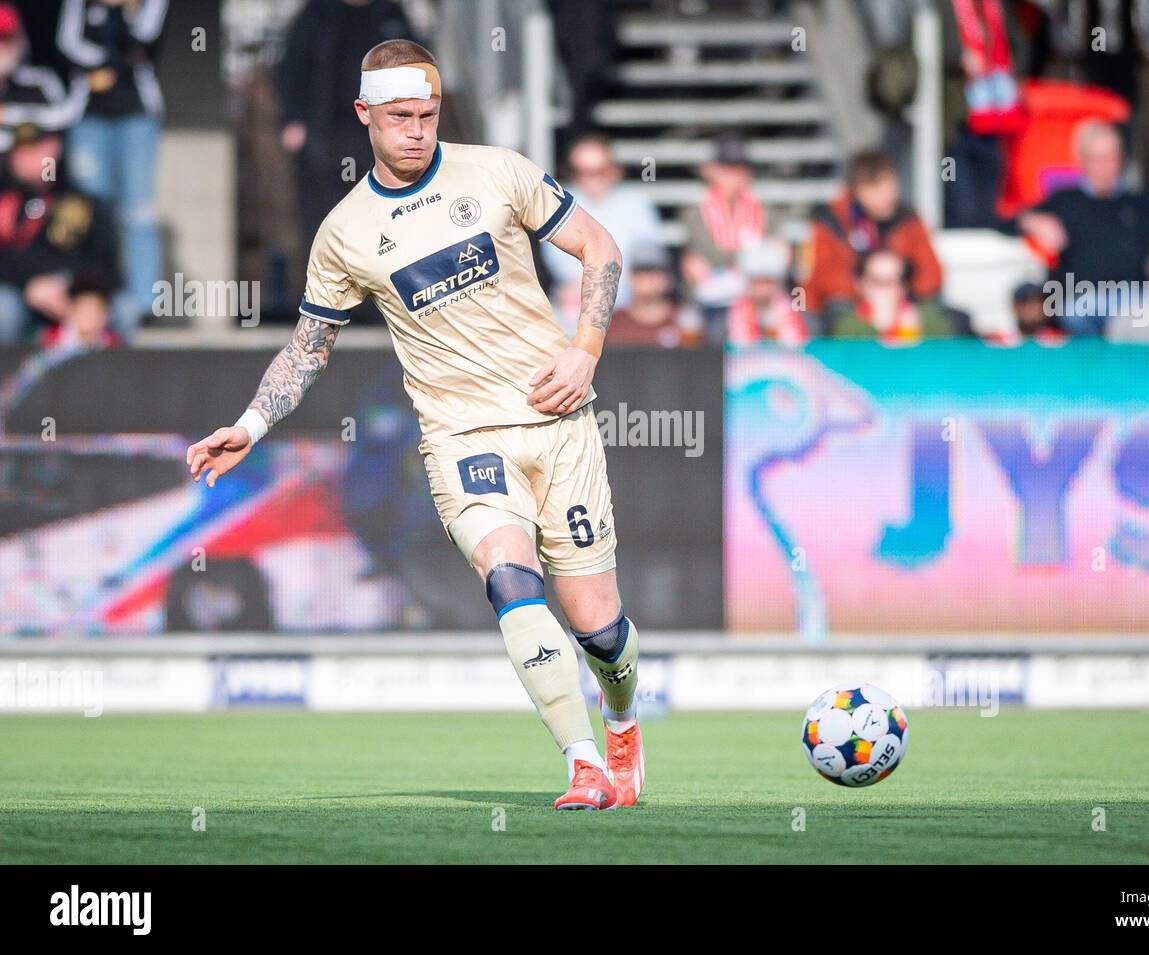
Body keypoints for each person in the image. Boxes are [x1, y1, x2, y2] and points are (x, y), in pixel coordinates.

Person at [185, 41, 642, 812]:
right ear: (364, 114)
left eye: (428, 115)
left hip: (559, 422)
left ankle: (623, 719)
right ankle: (584, 762)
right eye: (399, 117)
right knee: (508, 575)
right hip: (463, 439)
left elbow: (600, 247)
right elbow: (308, 348)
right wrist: (251, 423)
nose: (417, 130)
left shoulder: (498, 170)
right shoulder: (345, 232)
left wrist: (586, 351)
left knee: (599, 628)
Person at [277, 0, 413, 298]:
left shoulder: (389, 15)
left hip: (376, 137)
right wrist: (293, 119)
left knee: (382, 215)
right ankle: (326, 298)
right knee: (323, 219)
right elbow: (292, 67)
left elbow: (416, 71)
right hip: (323, 135)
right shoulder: (318, 13)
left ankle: (379, 298)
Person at [57, 0, 168, 333]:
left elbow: (145, 37)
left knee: (139, 212)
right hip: (88, 118)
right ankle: (90, 298)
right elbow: (68, 42)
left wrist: (124, 18)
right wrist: (109, 59)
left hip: (136, 117)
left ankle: (145, 305)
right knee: (90, 212)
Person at [1018, 121, 1149, 336]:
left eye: (1111, 157)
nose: (1106, 166)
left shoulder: (1143, 205)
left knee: (1137, 317)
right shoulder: (1063, 202)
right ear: (1082, 161)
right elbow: (1003, 223)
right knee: (1077, 314)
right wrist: (1030, 221)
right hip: (1078, 300)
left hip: (1132, 299)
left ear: (1121, 159)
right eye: (1098, 158)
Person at [0, 126, 122, 344]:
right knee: (4, 310)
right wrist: (29, 283)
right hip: (15, 293)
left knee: (123, 311)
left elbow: (106, 266)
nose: (25, 159)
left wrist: (69, 285)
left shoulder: (82, 201)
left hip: (75, 296)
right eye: (19, 152)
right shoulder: (5, 199)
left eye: (34, 150)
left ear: (54, 148)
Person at [804, 149, 943, 329]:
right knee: (840, 311)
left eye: (888, 187)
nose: (883, 197)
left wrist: (898, 288)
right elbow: (821, 279)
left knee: (940, 315)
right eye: (874, 189)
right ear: (856, 190)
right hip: (850, 304)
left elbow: (932, 273)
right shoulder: (832, 222)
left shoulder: (909, 221)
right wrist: (870, 289)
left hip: (901, 300)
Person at [539, 133, 662, 330]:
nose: (591, 179)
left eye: (599, 171)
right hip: (578, 303)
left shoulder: (636, 203)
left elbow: (646, 261)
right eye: (583, 171)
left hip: (630, 304)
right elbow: (561, 266)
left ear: (614, 170)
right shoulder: (559, 205)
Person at [680, 133, 769, 339]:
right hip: (710, 302)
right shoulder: (695, 211)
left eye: (740, 169)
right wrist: (749, 258)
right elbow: (704, 253)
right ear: (709, 170)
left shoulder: (763, 209)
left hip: (754, 298)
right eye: (726, 168)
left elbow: (768, 259)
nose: (734, 175)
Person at [0, 2, 86, 155]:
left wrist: (10, 115)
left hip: (36, 168)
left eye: (5, 41)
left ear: (20, 43)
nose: (1, 51)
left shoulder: (38, 79)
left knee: (46, 156)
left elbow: (67, 113)